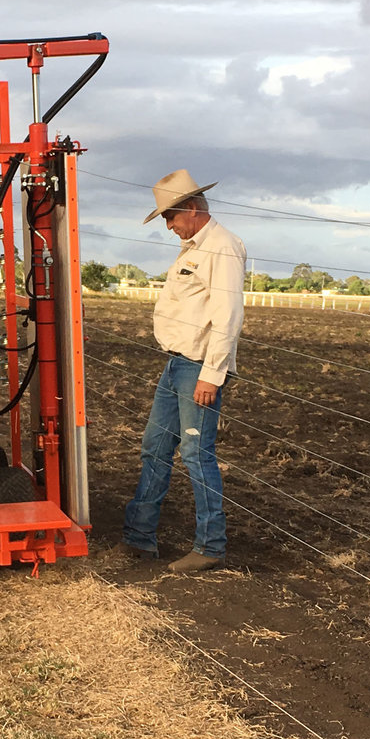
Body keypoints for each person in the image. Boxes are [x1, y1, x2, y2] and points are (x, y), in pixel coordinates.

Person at [119, 169, 246, 573]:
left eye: (170, 217)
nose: (169, 226)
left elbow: (228, 316)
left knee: (196, 453)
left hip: (197, 367)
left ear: (191, 208)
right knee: (155, 447)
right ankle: (139, 537)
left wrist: (213, 373)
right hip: (176, 364)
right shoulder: (193, 247)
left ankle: (210, 545)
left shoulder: (222, 247)